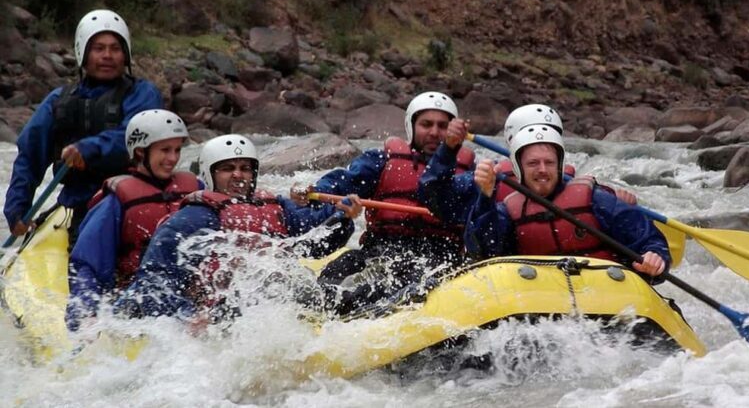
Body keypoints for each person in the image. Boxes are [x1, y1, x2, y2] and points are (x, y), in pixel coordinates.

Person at [113, 134, 361, 320]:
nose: (238, 175)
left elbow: (314, 238)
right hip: (221, 310)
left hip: (279, 295)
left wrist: (342, 216)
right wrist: (186, 316)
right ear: (210, 174)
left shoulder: (275, 205)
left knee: (324, 293)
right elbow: (158, 276)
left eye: (245, 168)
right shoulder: (195, 217)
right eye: (227, 169)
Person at [306, 91, 476, 314]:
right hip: (382, 250)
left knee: (411, 283)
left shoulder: (471, 173)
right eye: (426, 124)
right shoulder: (383, 160)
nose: (434, 132)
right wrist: (315, 193)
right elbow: (341, 184)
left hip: (440, 256)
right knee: (334, 277)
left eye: (442, 126)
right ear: (411, 126)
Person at [4, 9, 164, 242]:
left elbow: (136, 135)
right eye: (99, 48)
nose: (107, 55)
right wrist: (18, 207)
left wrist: (89, 148)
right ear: (83, 53)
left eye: (115, 49)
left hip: (131, 204)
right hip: (79, 207)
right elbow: (30, 156)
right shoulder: (58, 101)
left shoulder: (143, 94)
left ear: (126, 55)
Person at [466, 125, 670, 278]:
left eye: (549, 162)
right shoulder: (508, 211)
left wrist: (655, 256)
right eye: (533, 163)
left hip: (604, 293)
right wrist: (485, 197)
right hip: (541, 298)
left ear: (560, 166)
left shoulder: (597, 201)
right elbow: (483, 251)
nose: (542, 169)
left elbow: (650, 240)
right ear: (519, 168)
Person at [65, 110, 201, 331]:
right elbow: (88, 264)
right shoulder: (116, 201)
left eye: (177, 150)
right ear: (140, 152)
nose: (173, 158)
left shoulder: (195, 190)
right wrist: (85, 314)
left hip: (188, 298)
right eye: (165, 150)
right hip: (138, 303)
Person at [421, 104, 636, 228]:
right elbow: (434, 198)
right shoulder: (488, 178)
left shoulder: (580, 189)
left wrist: (624, 208)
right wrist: (448, 150)